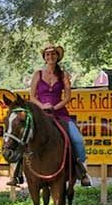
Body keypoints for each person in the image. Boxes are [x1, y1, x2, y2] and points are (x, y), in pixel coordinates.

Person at [29, 44, 91, 186]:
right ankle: (17, 172)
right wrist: (43, 106)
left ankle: (82, 171)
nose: (50, 57)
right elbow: (32, 97)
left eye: (53, 54)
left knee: (77, 139)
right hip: (40, 113)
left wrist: (55, 107)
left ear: (57, 57)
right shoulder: (37, 74)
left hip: (60, 113)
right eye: (47, 54)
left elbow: (67, 97)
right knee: (24, 134)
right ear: (44, 57)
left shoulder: (63, 75)